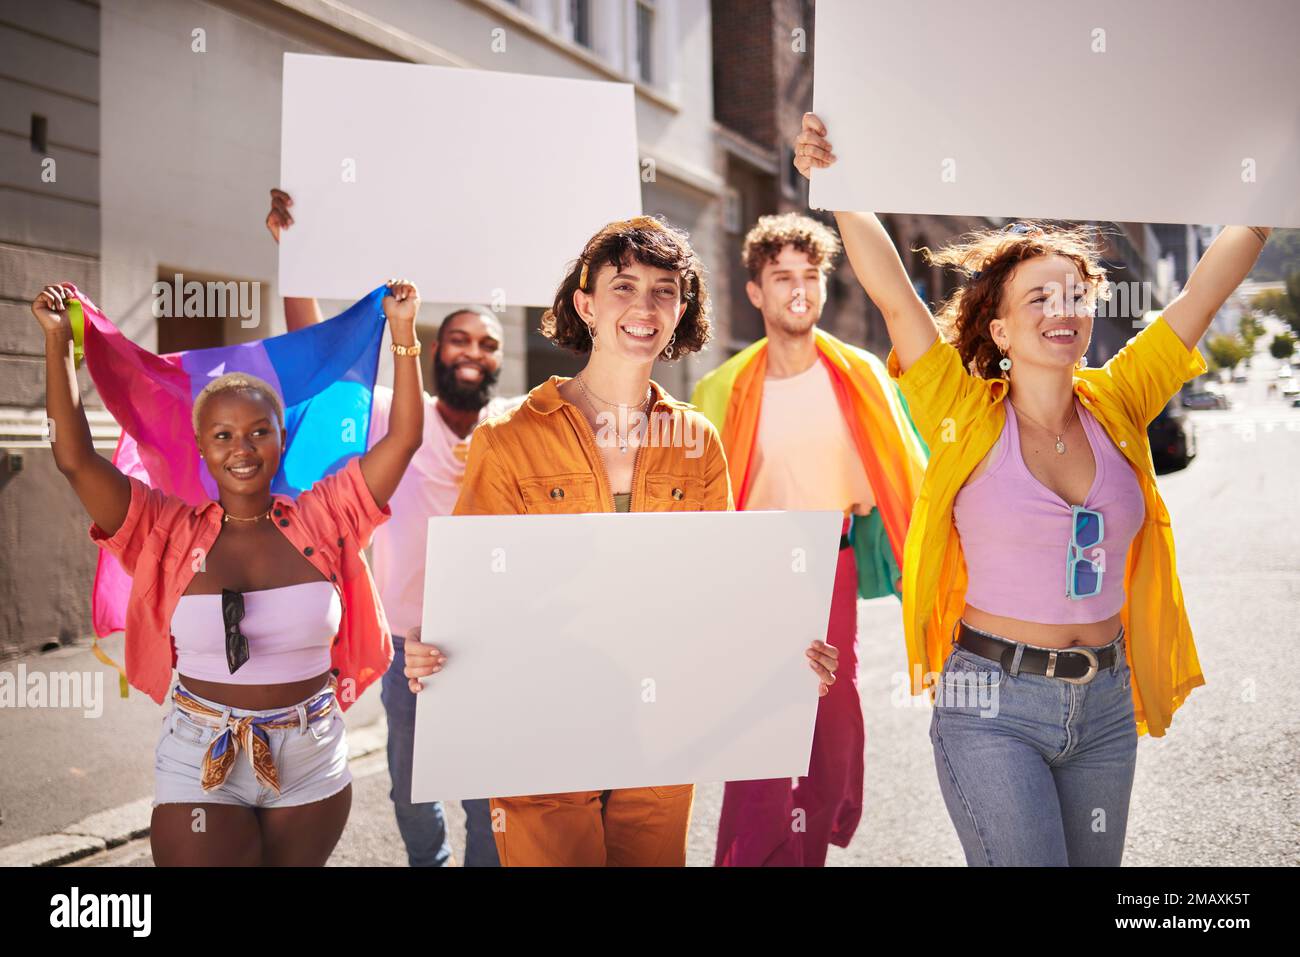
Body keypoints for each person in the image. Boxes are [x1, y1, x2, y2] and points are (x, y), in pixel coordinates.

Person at [795, 112, 1273, 865]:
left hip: (1105, 705)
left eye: (1075, 295)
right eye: (1039, 299)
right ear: (1002, 332)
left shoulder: (1120, 399)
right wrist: (842, 187)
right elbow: (895, 299)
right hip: (992, 704)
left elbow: (1207, 290)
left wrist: (1272, 179)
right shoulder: (961, 411)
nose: (1064, 310)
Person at [402, 215, 841, 866]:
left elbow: (718, 595)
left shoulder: (699, 444)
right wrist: (436, 652)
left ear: (681, 307)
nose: (644, 306)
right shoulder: (509, 435)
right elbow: (476, 591)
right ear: (585, 303)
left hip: (660, 737)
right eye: (624, 286)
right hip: (543, 728)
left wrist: (783, 655)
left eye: (665, 290)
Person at [34, 278, 424, 866]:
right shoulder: (163, 531)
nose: (242, 447)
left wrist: (403, 331)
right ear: (199, 447)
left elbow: (406, 437)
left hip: (312, 751)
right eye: (223, 435)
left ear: (281, 438)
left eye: (258, 431)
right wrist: (59, 342)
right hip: (201, 754)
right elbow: (74, 459)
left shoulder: (325, 517)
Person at [267, 188, 518, 866]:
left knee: (488, 804)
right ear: (437, 350)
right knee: (412, 790)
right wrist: (296, 253)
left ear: (498, 361)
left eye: (488, 344)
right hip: (409, 649)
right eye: (461, 338)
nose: (474, 351)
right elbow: (321, 364)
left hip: (494, 646)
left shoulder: (517, 427)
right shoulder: (392, 414)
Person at [690, 213, 927, 866]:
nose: (798, 289)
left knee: (831, 732)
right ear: (756, 292)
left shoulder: (862, 374)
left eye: (810, 275)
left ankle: (807, 853)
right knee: (763, 735)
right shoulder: (724, 386)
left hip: (836, 558)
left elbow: (911, 474)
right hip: (756, 571)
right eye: (781, 277)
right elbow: (701, 501)